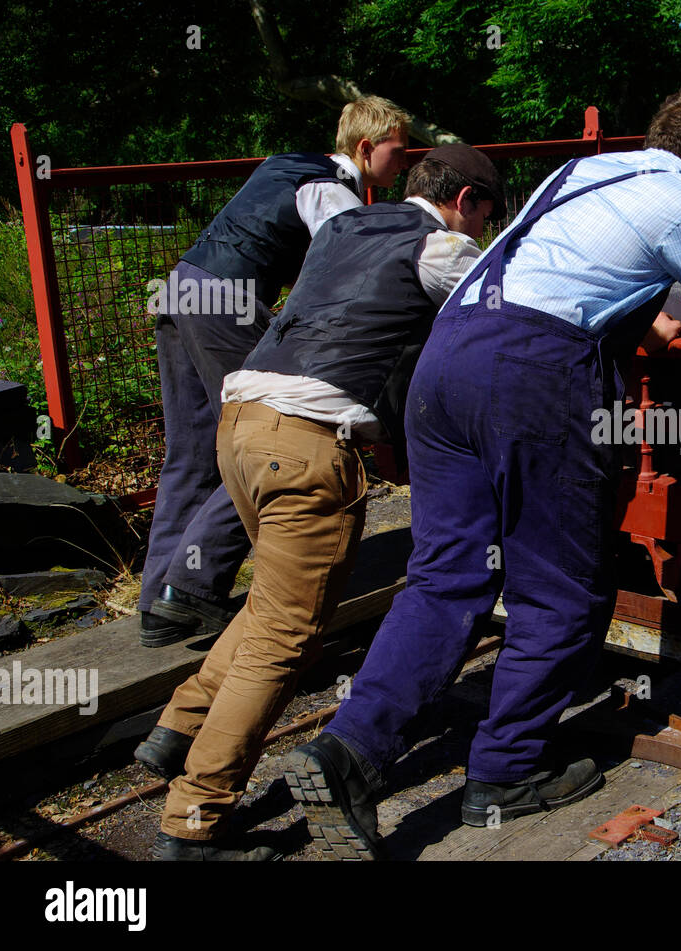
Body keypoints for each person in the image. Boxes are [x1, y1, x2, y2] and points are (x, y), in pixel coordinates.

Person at [284, 86, 681, 860]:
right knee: (564, 587)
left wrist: (662, 326)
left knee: (447, 578)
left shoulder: (584, 173)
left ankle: (345, 754)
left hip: (448, 362)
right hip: (533, 375)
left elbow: (616, 296)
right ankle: (503, 773)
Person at [134, 145, 505, 860]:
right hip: (305, 444)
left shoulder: (346, 226)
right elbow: (507, 312)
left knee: (267, 609)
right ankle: (193, 818)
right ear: (465, 201)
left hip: (241, 421)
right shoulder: (444, 248)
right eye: (487, 212)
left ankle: (178, 724)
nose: (484, 227)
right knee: (285, 639)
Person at [138, 96, 412, 649]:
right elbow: (352, 265)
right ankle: (191, 587)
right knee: (267, 439)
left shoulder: (285, 162)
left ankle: (158, 603)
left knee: (192, 454)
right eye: (397, 152)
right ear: (366, 147)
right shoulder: (333, 191)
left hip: (182, 290)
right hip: (225, 302)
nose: (402, 165)